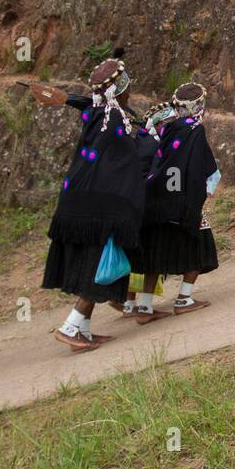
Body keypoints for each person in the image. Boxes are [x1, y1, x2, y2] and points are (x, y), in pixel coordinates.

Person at [34, 51, 147, 351]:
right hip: (103, 208)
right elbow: (129, 163)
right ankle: (71, 325)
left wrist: (67, 98)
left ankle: (81, 330)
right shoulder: (115, 123)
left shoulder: (97, 116)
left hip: (79, 203)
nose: (130, 91)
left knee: (93, 264)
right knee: (101, 267)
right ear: (120, 91)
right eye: (127, 87)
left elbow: (89, 105)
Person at [126, 83, 221, 322]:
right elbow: (203, 168)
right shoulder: (195, 130)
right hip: (182, 204)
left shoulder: (168, 129)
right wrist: (204, 192)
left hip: (158, 202)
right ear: (199, 106)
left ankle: (145, 309)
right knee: (202, 243)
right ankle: (184, 299)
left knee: (156, 252)